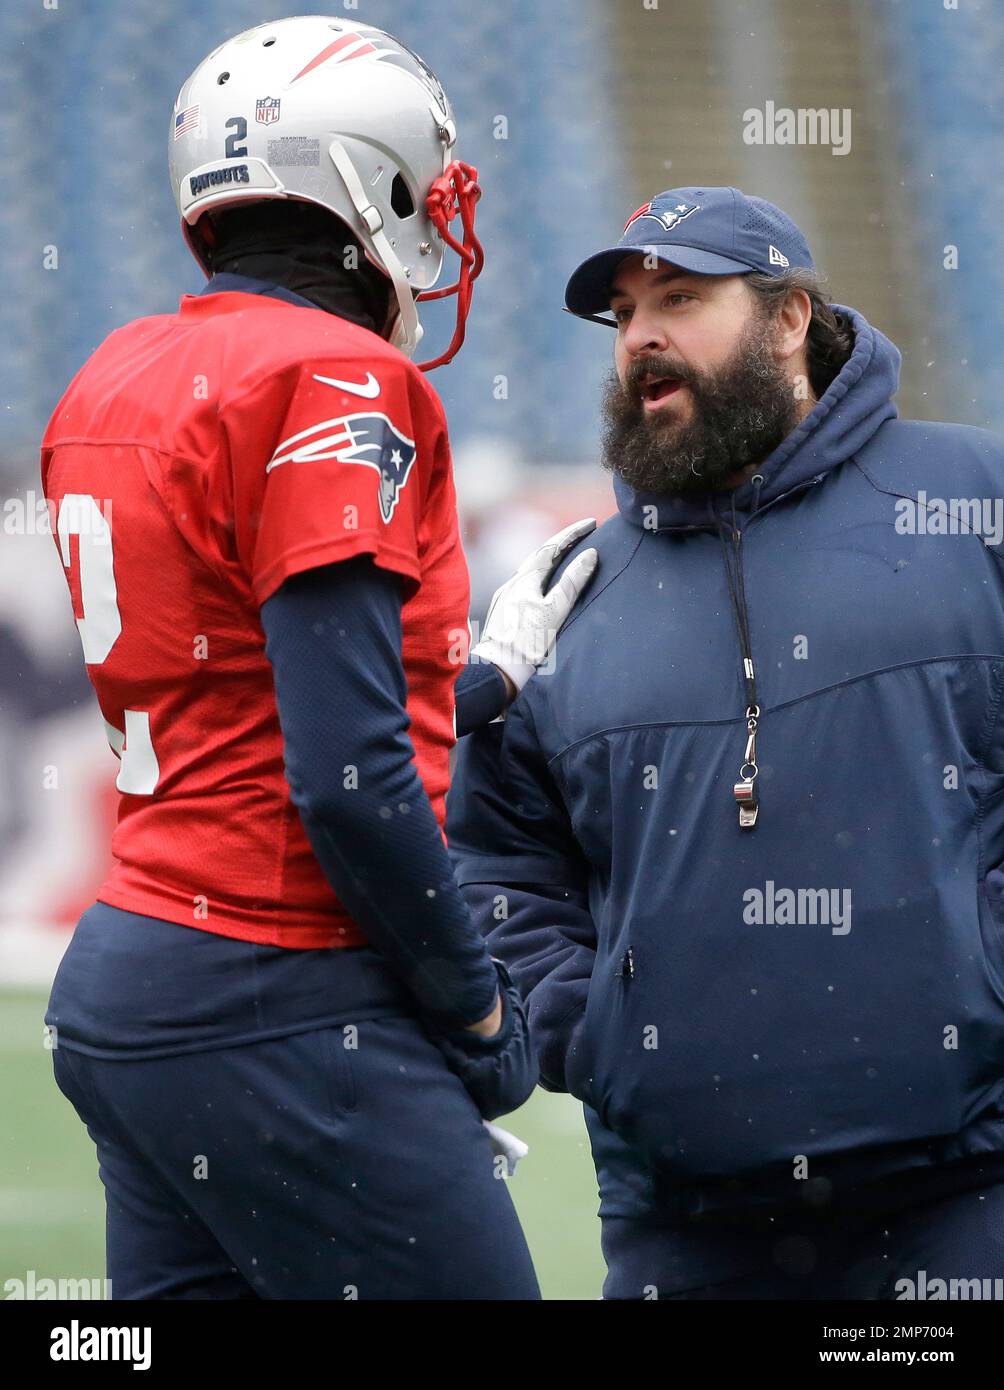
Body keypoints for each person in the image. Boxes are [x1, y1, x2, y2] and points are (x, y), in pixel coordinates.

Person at [40, 15, 594, 1301]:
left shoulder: (116, 372)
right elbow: (342, 773)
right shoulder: (333, 378)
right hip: (279, 985)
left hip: (134, 977)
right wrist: (473, 1004)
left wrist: (473, 692)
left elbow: (247, 688)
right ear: (371, 180)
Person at [446, 185, 1004, 1299]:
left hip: (964, 1197)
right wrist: (586, 1030)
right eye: (623, 313)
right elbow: (498, 862)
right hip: (683, 1221)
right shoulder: (566, 594)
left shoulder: (972, 504)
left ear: (789, 318)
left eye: (681, 298)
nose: (641, 334)